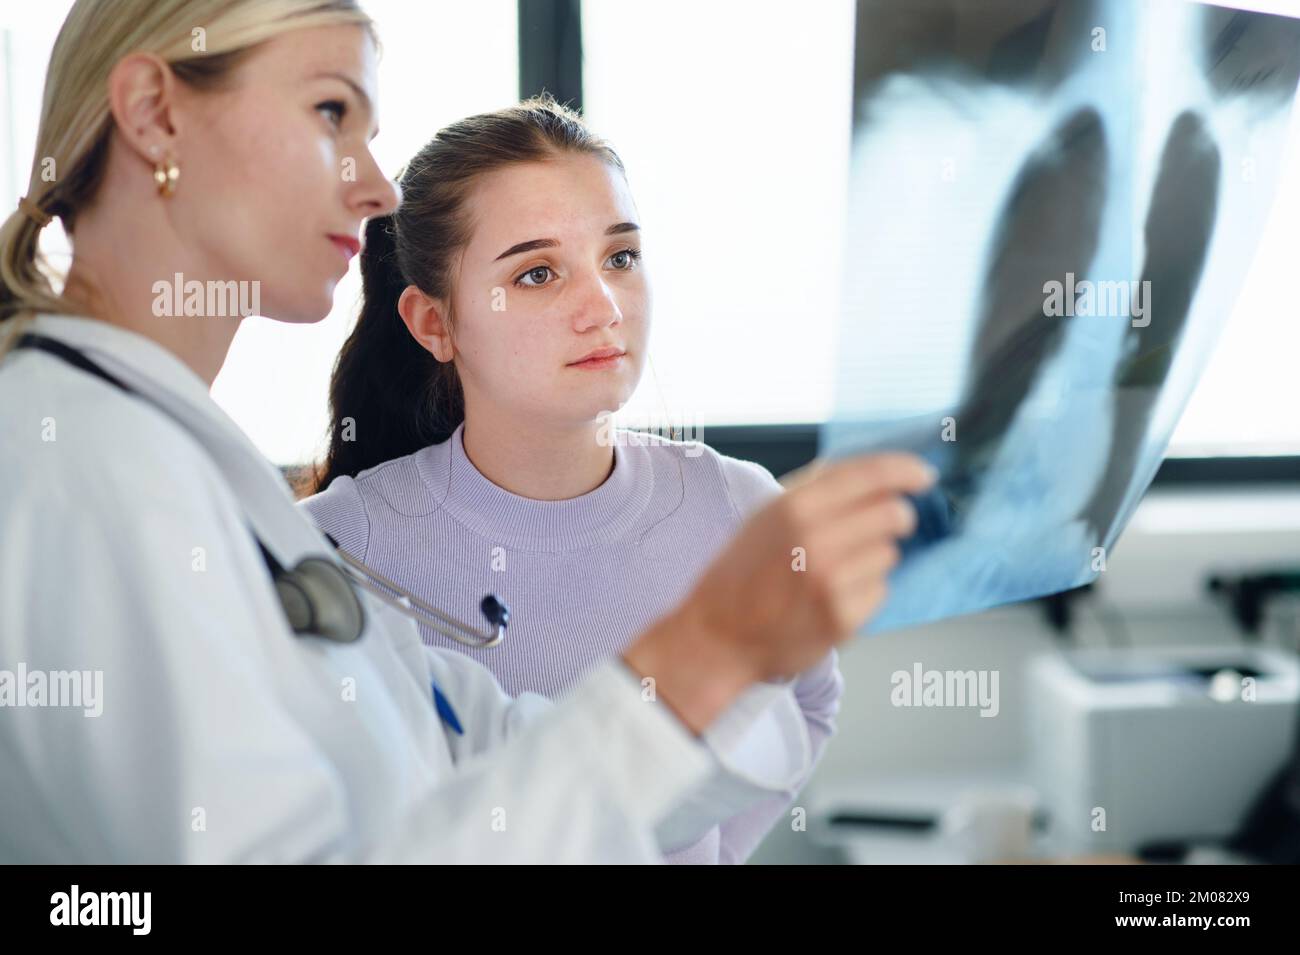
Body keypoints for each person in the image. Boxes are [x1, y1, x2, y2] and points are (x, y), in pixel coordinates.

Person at [0, 0, 933, 863]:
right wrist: (707, 653)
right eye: (332, 114)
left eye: (621, 254)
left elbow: (460, 750)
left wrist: (724, 657)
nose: (372, 187)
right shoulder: (84, 463)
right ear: (157, 114)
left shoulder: (190, 464)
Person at [303, 98, 844, 864]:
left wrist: (707, 847)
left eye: (619, 257)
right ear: (434, 323)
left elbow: (811, 698)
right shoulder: (335, 547)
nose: (602, 308)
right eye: (537, 273)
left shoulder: (738, 508)